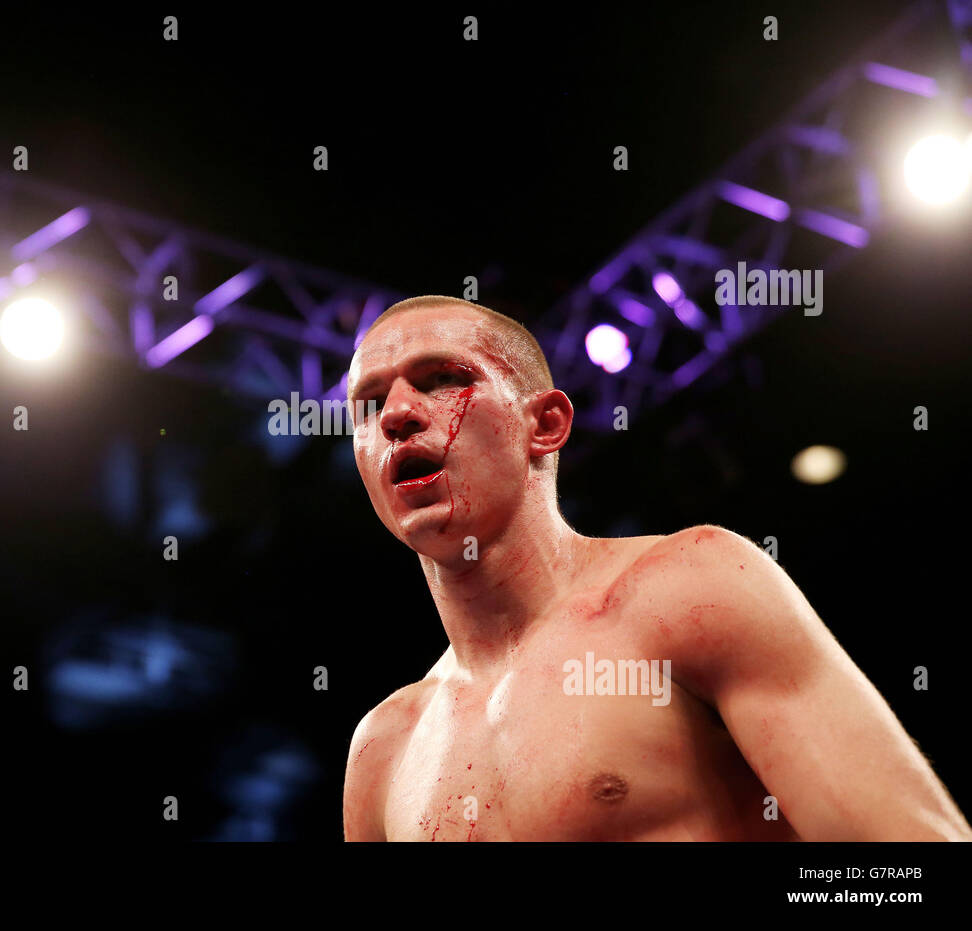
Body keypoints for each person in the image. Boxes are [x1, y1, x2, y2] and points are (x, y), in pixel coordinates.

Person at [341, 295, 970, 841]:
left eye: (441, 379)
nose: (396, 413)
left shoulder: (688, 589)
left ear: (546, 424)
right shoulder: (384, 751)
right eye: (368, 406)